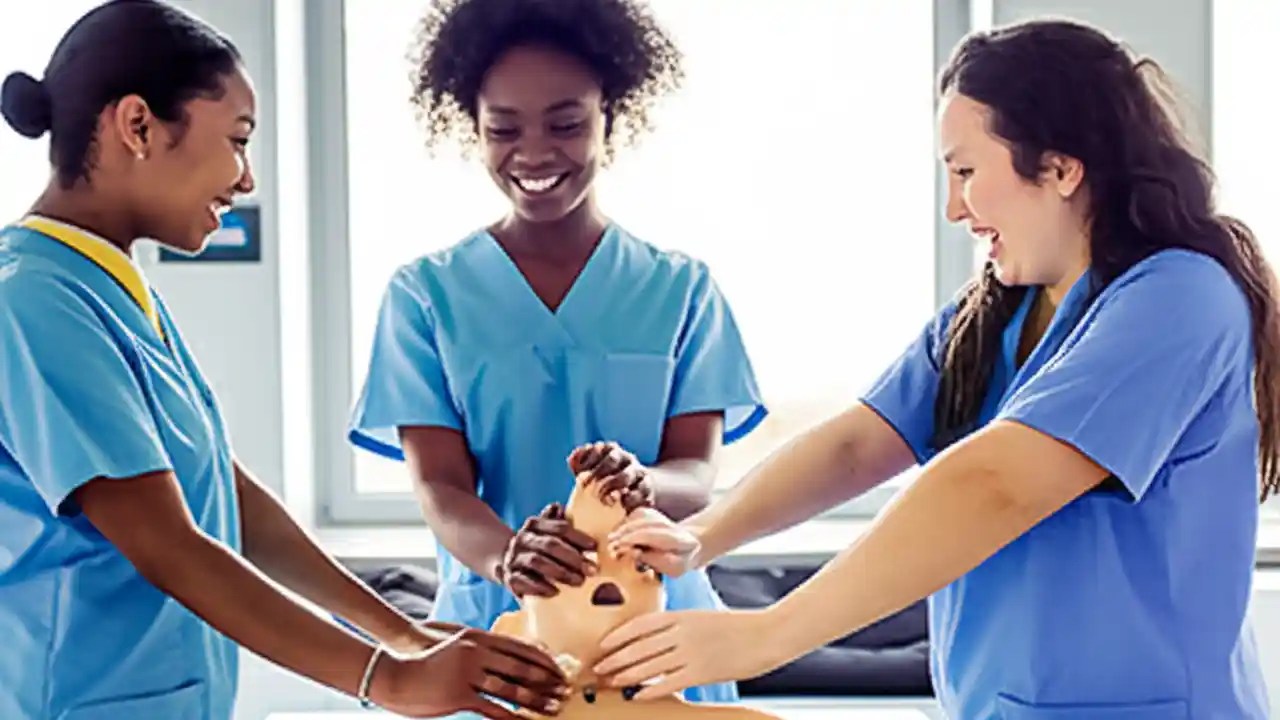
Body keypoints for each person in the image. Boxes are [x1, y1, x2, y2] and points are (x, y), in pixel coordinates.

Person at [593, 18, 1280, 720]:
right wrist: (704, 534)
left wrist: (765, 638)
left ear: (1061, 168)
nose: (954, 208)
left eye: (966, 172)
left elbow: (992, 484)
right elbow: (858, 444)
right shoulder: (989, 318)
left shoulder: (1180, 300)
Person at [0, 2, 568, 719]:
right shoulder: (33, 302)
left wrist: (400, 633)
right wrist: (384, 679)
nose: (246, 180)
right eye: (238, 140)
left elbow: (227, 499)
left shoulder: (114, 288)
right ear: (138, 125)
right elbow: (168, 545)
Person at [347, 0, 765, 706]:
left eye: (567, 124)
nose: (534, 153)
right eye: (502, 129)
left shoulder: (682, 289)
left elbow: (696, 471)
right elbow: (441, 488)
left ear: (612, 114)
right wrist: (509, 558)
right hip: (499, 634)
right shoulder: (425, 296)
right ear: (471, 128)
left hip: (659, 637)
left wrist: (638, 484)